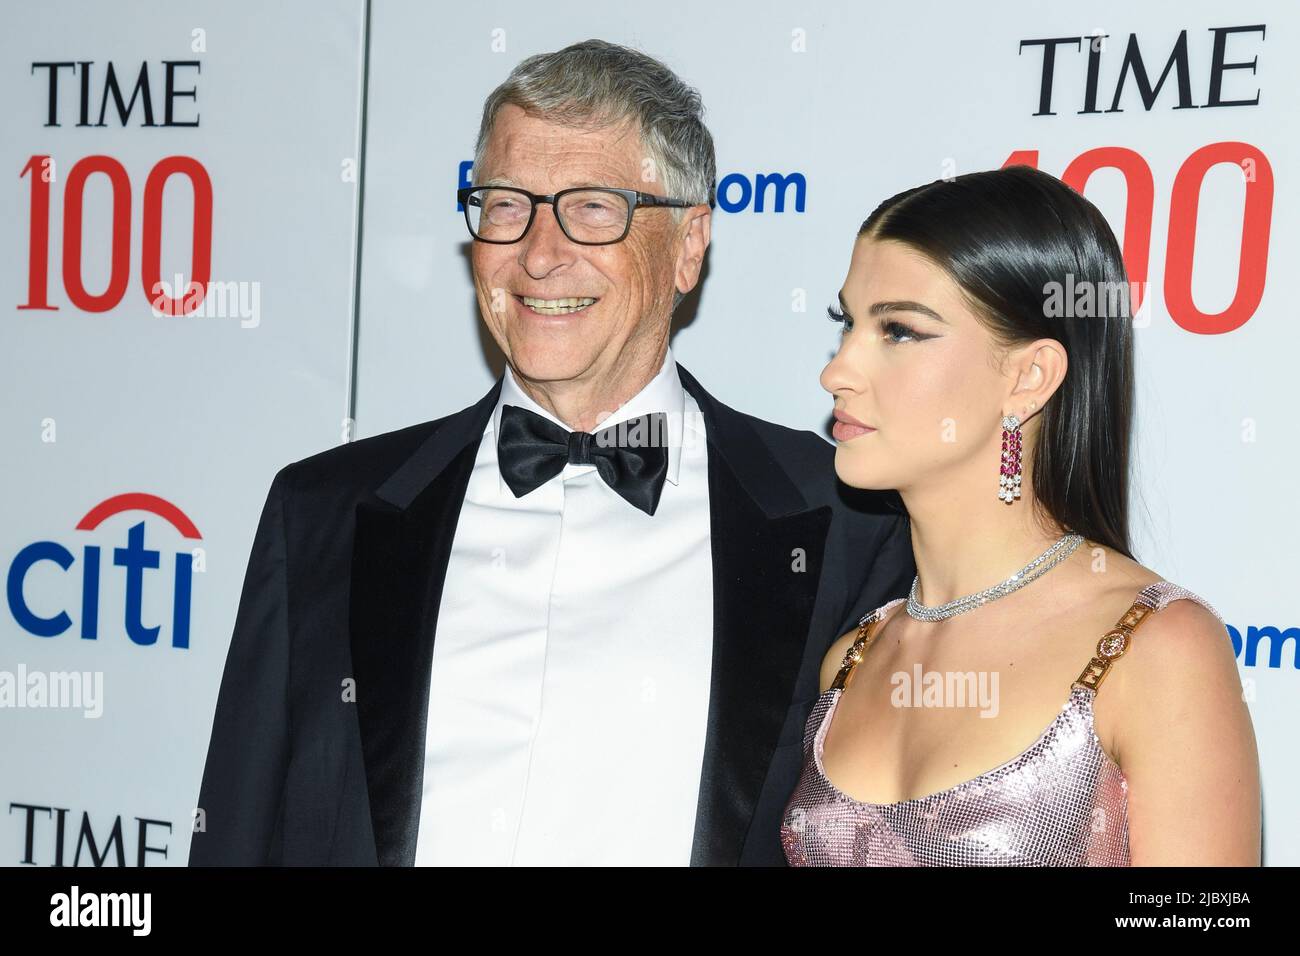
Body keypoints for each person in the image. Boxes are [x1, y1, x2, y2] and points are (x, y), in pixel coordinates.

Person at [188, 39, 914, 867]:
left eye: (593, 209)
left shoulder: (846, 522)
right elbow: (238, 833)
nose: (538, 253)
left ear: (688, 243)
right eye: (506, 205)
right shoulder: (322, 513)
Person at [781, 165, 1262, 866]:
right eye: (846, 323)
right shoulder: (851, 661)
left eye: (900, 331)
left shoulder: (1154, 648)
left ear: (1027, 377)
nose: (838, 370)